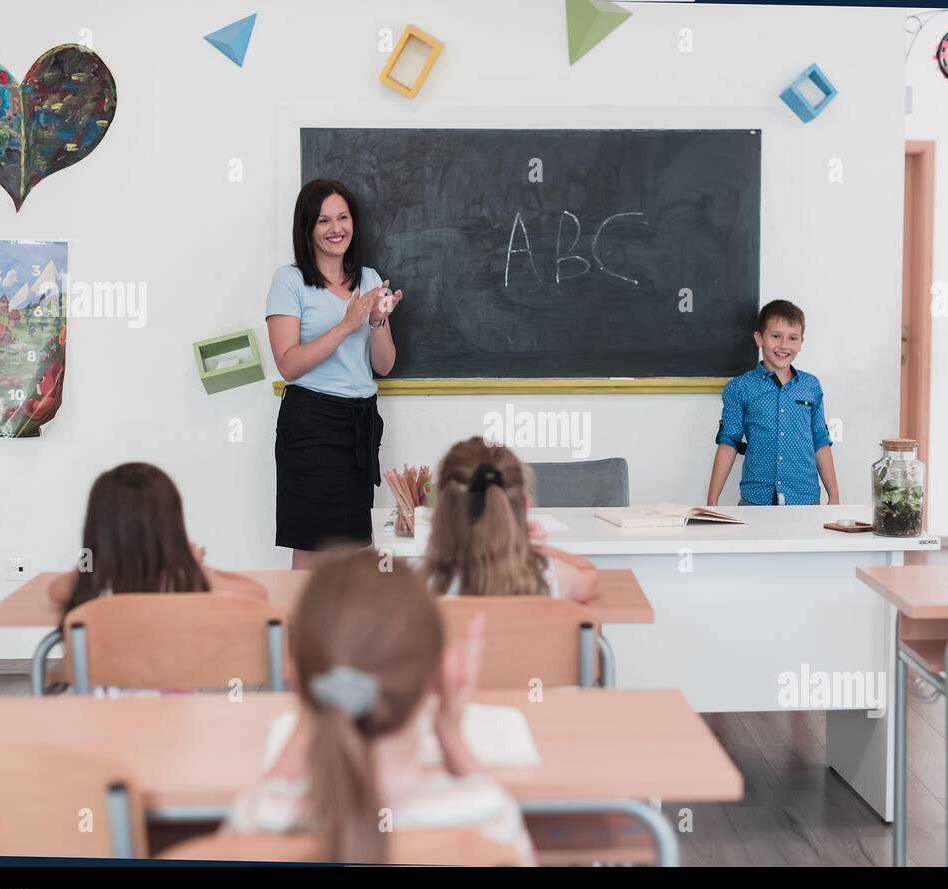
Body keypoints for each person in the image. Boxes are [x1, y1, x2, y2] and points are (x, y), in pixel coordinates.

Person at [225, 551, 535, 865]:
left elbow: (265, 799)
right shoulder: (487, 819)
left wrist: (308, 714)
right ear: (434, 678)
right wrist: (450, 730)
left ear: (302, 679)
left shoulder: (259, 821)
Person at [264, 178, 404, 565]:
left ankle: (347, 627)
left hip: (359, 424)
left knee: (354, 549)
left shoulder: (370, 280)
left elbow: (384, 365)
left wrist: (375, 322)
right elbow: (288, 365)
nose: (335, 228)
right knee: (310, 547)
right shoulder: (289, 280)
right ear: (307, 228)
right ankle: (299, 628)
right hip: (311, 424)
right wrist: (345, 325)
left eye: (343, 217)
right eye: (324, 220)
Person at [48, 462, 266, 614]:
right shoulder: (184, 582)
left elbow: (55, 590)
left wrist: (95, 557)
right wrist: (197, 565)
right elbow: (256, 593)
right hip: (173, 681)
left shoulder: (95, 585)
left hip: (104, 681)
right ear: (170, 524)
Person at [421, 437, 599, 601]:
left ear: (440, 512)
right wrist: (534, 545)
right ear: (525, 505)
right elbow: (589, 573)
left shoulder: (420, 586)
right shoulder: (551, 579)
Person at [707, 299, 839, 506]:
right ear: (759, 338)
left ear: (801, 343)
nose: (784, 345)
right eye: (776, 336)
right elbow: (728, 442)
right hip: (756, 498)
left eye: (793, 338)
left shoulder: (811, 386)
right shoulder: (740, 387)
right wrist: (712, 500)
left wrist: (834, 497)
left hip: (804, 499)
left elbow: (820, 441)